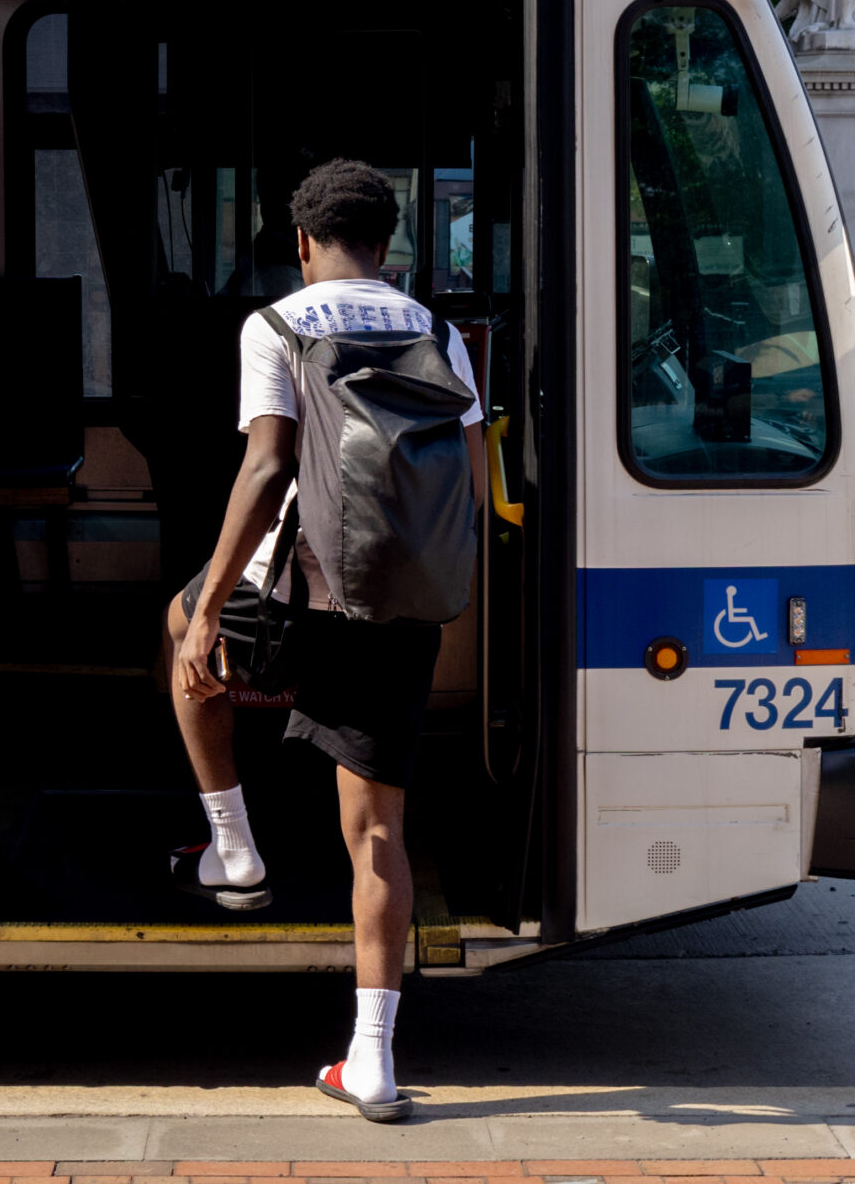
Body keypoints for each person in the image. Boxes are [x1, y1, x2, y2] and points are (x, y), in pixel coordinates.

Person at [157, 158, 484, 1122]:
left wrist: (215, 602)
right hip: (399, 604)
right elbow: (466, 476)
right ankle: (373, 1059)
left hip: (297, 594)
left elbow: (266, 468)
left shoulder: (278, 326)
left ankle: (235, 846)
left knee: (180, 630)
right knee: (378, 832)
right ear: (390, 245)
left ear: (302, 242)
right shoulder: (441, 332)